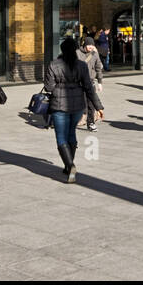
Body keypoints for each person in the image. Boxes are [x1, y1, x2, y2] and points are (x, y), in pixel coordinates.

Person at [44, 36, 103, 182]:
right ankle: (68, 165)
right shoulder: (82, 65)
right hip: (77, 105)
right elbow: (89, 88)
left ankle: (70, 165)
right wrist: (98, 106)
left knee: (61, 136)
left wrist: (59, 86)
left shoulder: (54, 64)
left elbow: (48, 87)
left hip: (59, 105)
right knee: (71, 133)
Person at [76, 35, 104, 130]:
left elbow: (98, 68)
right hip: (80, 83)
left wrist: (99, 82)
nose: (91, 47)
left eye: (92, 45)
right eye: (89, 45)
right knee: (81, 103)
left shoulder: (95, 54)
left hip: (91, 82)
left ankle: (90, 123)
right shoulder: (77, 53)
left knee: (91, 104)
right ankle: (78, 119)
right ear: (85, 45)